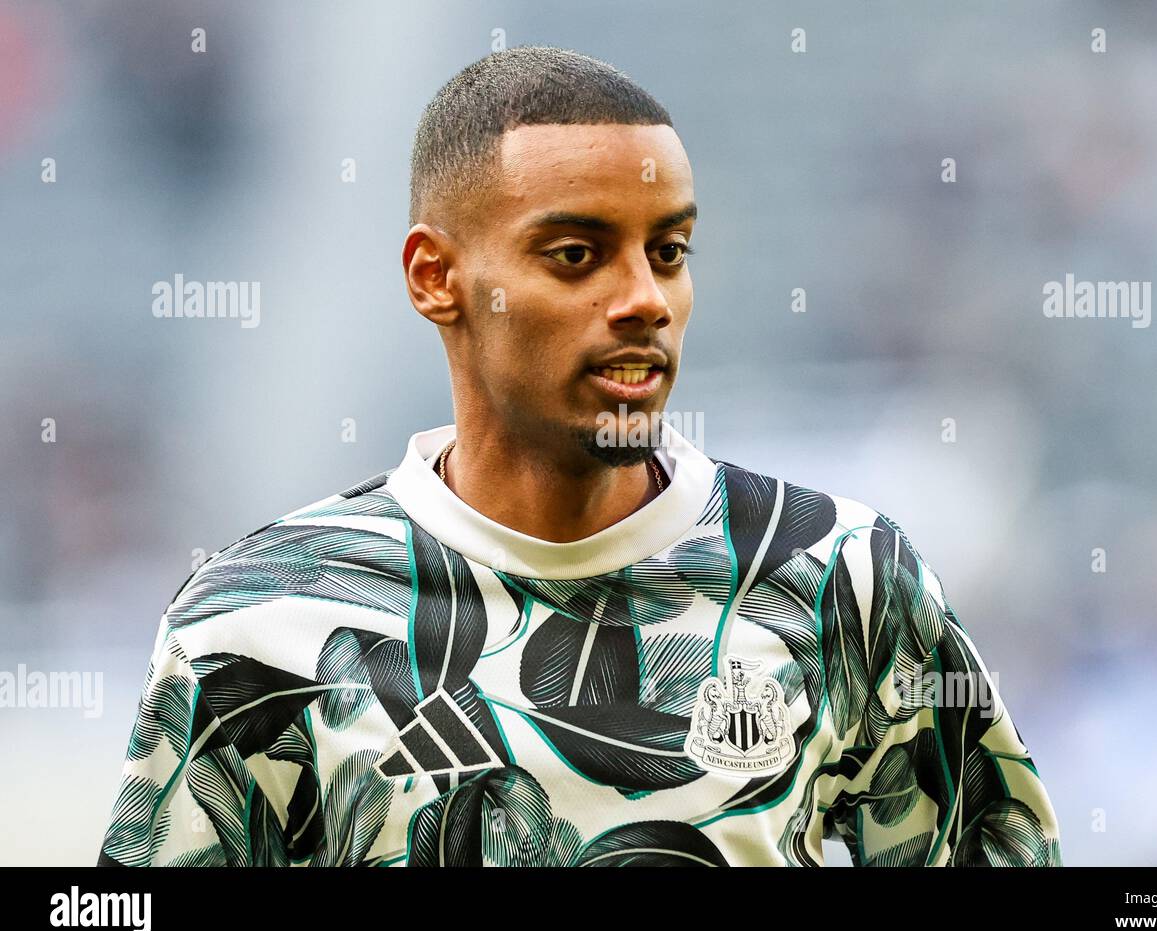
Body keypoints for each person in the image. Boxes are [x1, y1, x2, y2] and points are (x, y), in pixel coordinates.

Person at [97, 45, 1061, 867]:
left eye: (669, 251)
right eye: (575, 254)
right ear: (438, 278)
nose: (645, 296)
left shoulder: (837, 577)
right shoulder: (257, 623)